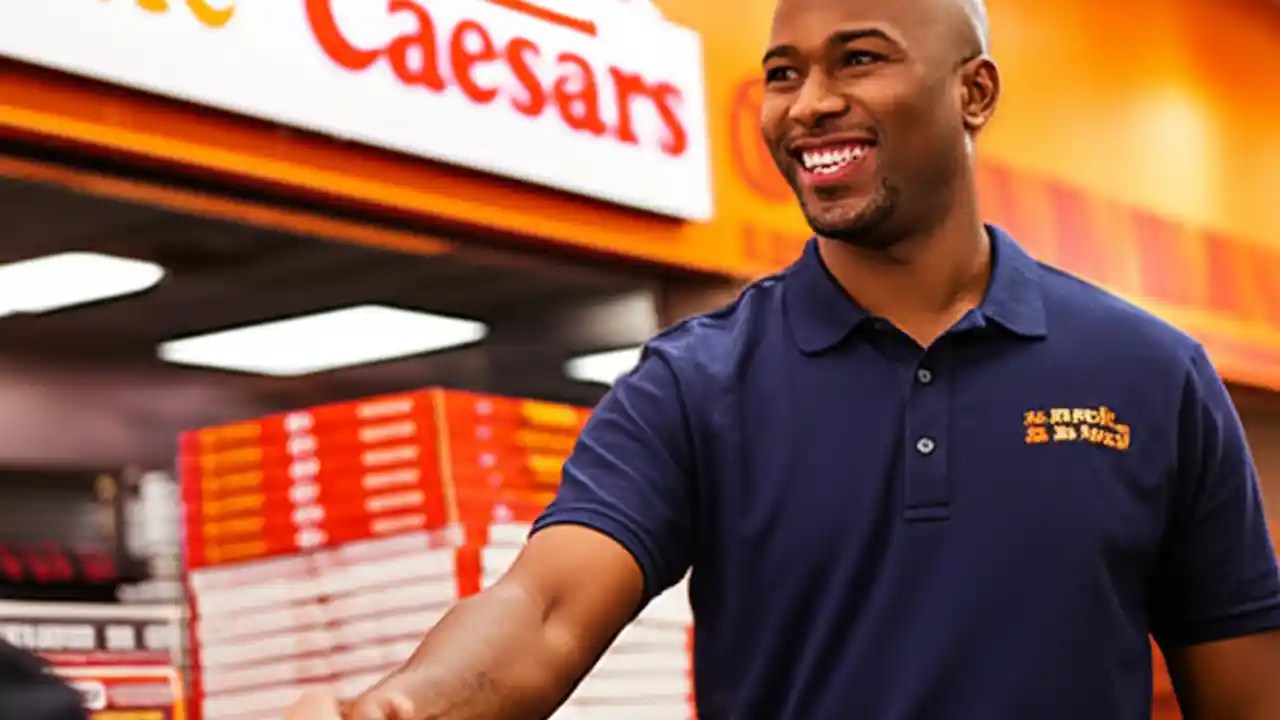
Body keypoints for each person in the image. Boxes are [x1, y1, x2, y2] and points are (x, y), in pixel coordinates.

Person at [286, 0, 1280, 717]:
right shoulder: (692, 385)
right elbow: (542, 608)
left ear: (972, 92)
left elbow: (1244, 689)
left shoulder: (1150, 373)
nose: (807, 105)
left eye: (858, 59)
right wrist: (403, 707)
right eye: (781, 73)